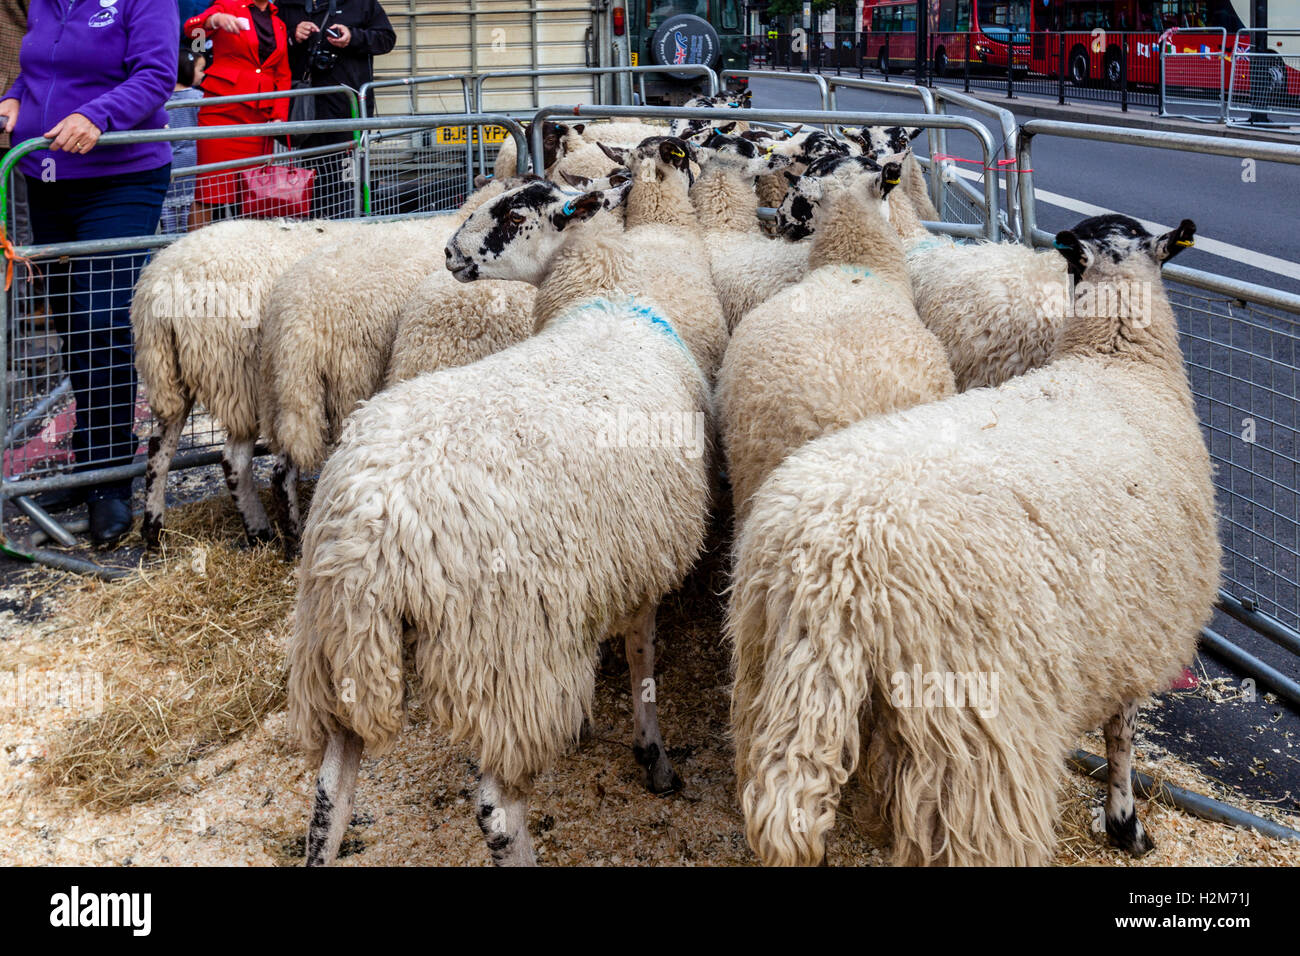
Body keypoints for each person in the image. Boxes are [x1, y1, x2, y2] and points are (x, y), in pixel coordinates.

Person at [0, 0, 178, 546]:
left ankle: (110, 480)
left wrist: (98, 115)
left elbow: (156, 74)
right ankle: (91, 461)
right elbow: (40, 70)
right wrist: (12, 98)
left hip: (119, 178)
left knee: (100, 321)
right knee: (71, 327)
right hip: (46, 176)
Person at [278, 0, 394, 218]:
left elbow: (387, 40)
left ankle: (348, 228)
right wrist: (293, 37)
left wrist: (353, 37)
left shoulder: (361, 3)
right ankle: (315, 230)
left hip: (347, 111)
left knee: (346, 180)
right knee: (310, 177)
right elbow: (267, 48)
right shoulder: (287, 4)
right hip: (306, 111)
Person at [183, 0, 291, 230]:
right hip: (221, 113)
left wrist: (279, 115)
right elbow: (193, 32)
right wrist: (213, 20)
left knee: (255, 194)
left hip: (260, 118)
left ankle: (247, 258)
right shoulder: (227, 5)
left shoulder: (279, 23)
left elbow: (282, 75)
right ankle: (195, 255)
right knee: (208, 190)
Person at [161, 49, 206, 234]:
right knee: (189, 213)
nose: (204, 73)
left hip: (168, 163)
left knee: (167, 215)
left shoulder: (161, 99)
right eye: (200, 69)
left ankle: (166, 248)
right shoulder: (200, 99)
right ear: (187, 70)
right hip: (192, 161)